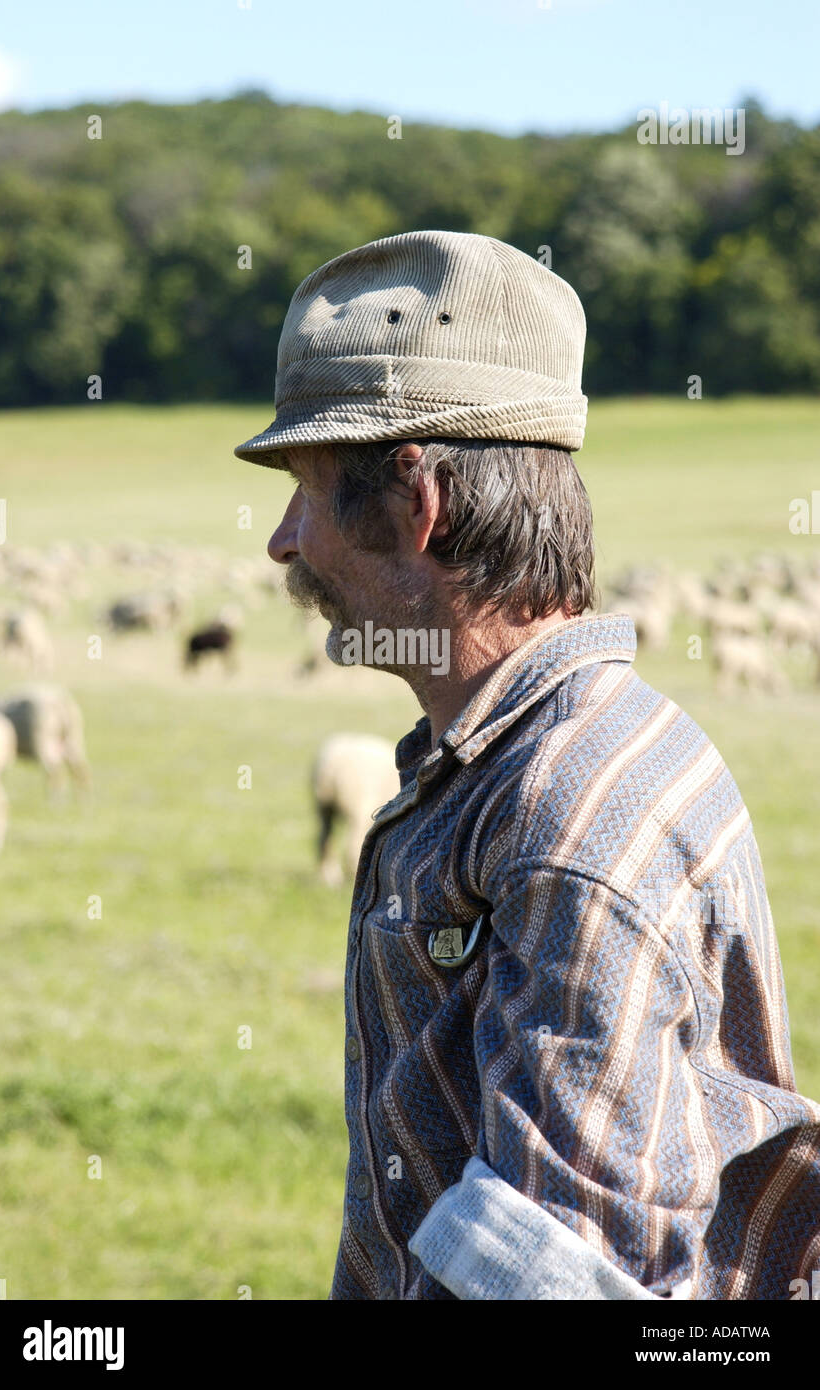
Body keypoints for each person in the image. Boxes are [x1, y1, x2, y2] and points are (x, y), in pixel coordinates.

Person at [234, 229, 820, 1301]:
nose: (281, 542)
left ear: (419, 503)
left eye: (307, 492)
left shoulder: (568, 820)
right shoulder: (519, 757)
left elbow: (561, 1279)